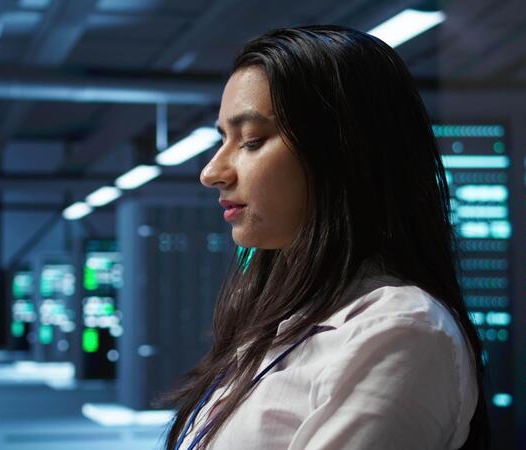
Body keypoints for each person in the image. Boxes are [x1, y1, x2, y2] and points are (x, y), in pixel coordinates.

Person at [163, 25, 490, 450]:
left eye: (252, 140)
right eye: (223, 139)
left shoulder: (401, 332)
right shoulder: (284, 320)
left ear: (343, 151)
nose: (211, 172)